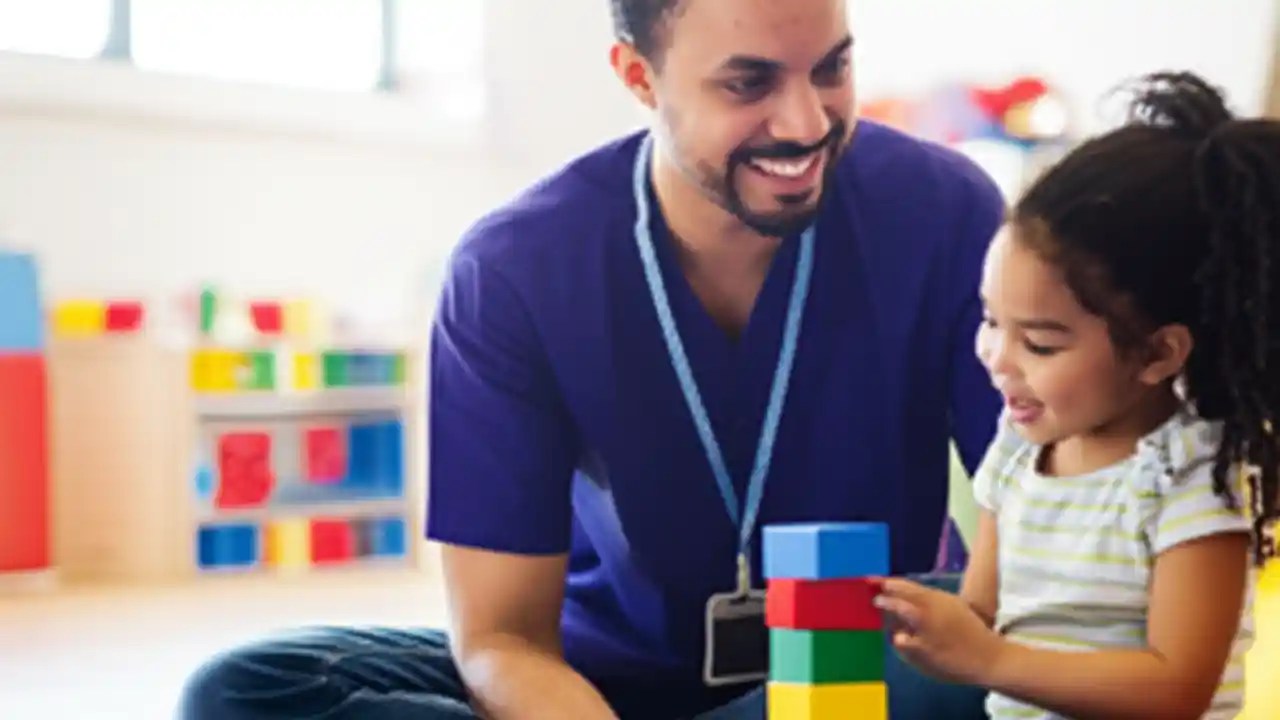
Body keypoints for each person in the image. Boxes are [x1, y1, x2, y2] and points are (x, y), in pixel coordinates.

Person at [178, 0, 1005, 718]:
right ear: (639, 78)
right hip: (596, 691)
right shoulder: (513, 270)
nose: (806, 123)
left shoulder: (947, 213)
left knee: (981, 648)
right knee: (249, 691)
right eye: (748, 84)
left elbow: (1038, 523)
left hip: (858, 672)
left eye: (831, 68)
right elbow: (502, 638)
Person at [874, 70, 1280, 720]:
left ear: (1156, 353)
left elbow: (1177, 688)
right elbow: (981, 614)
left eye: (1039, 345)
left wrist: (989, 660)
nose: (997, 359)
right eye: (989, 321)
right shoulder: (1015, 452)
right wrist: (895, 610)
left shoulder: (1190, 478)